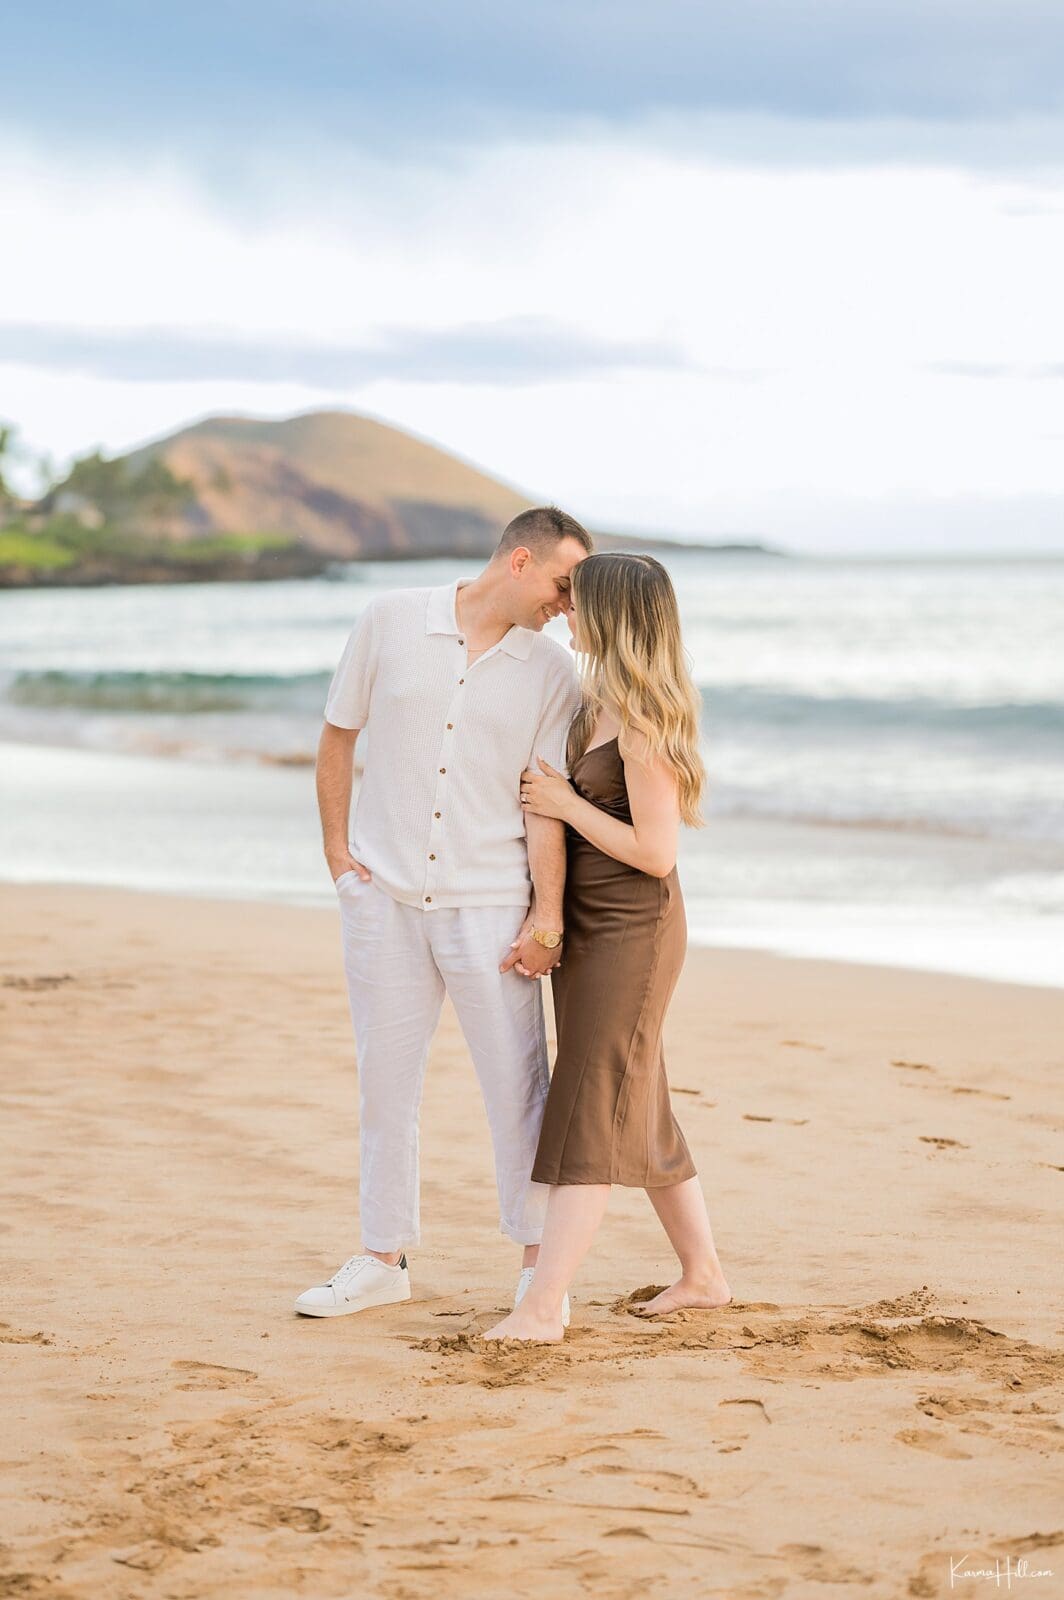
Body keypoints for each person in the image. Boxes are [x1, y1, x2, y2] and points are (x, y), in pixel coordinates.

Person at [295, 506, 593, 1318]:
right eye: (565, 586)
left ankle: (537, 1271)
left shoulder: (555, 673)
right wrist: (337, 857)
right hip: (382, 899)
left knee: (518, 1090)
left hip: (492, 908)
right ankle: (381, 1258)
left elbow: (544, 805)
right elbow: (336, 734)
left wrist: (548, 918)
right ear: (522, 562)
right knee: (385, 1086)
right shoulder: (389, 620)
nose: (569, 606)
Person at [482, 551, 732, 1342]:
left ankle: (541, 1304)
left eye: (579, 602)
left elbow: (658, 853)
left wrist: (562, 799)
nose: (567, 612)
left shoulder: (646, 723)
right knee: (639, 1102)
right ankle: (704, 1276)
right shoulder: (595, 702)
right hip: (592, 928)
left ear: (616, 617)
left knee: (589, 1106)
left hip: (635, 931)